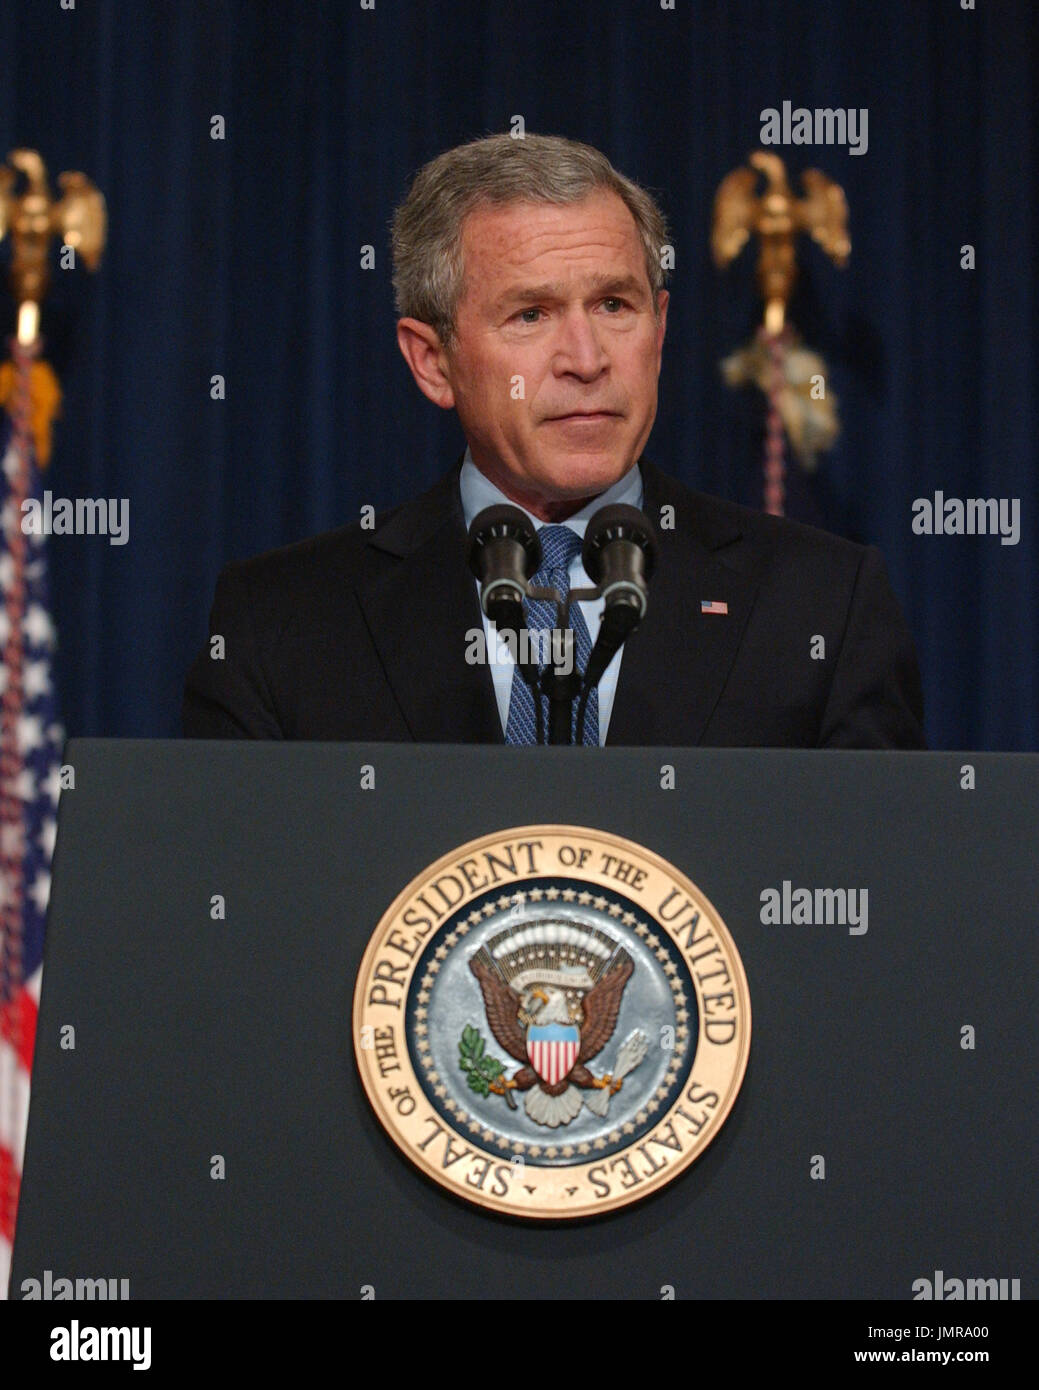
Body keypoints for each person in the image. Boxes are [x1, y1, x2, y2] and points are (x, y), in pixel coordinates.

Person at [182, 133, 925, 748]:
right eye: (530, 315)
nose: (586, 358)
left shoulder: (820, 605)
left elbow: (882, 897)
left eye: (613, 304)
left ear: (658, 332)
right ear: (432, 362)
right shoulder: (281, 623)